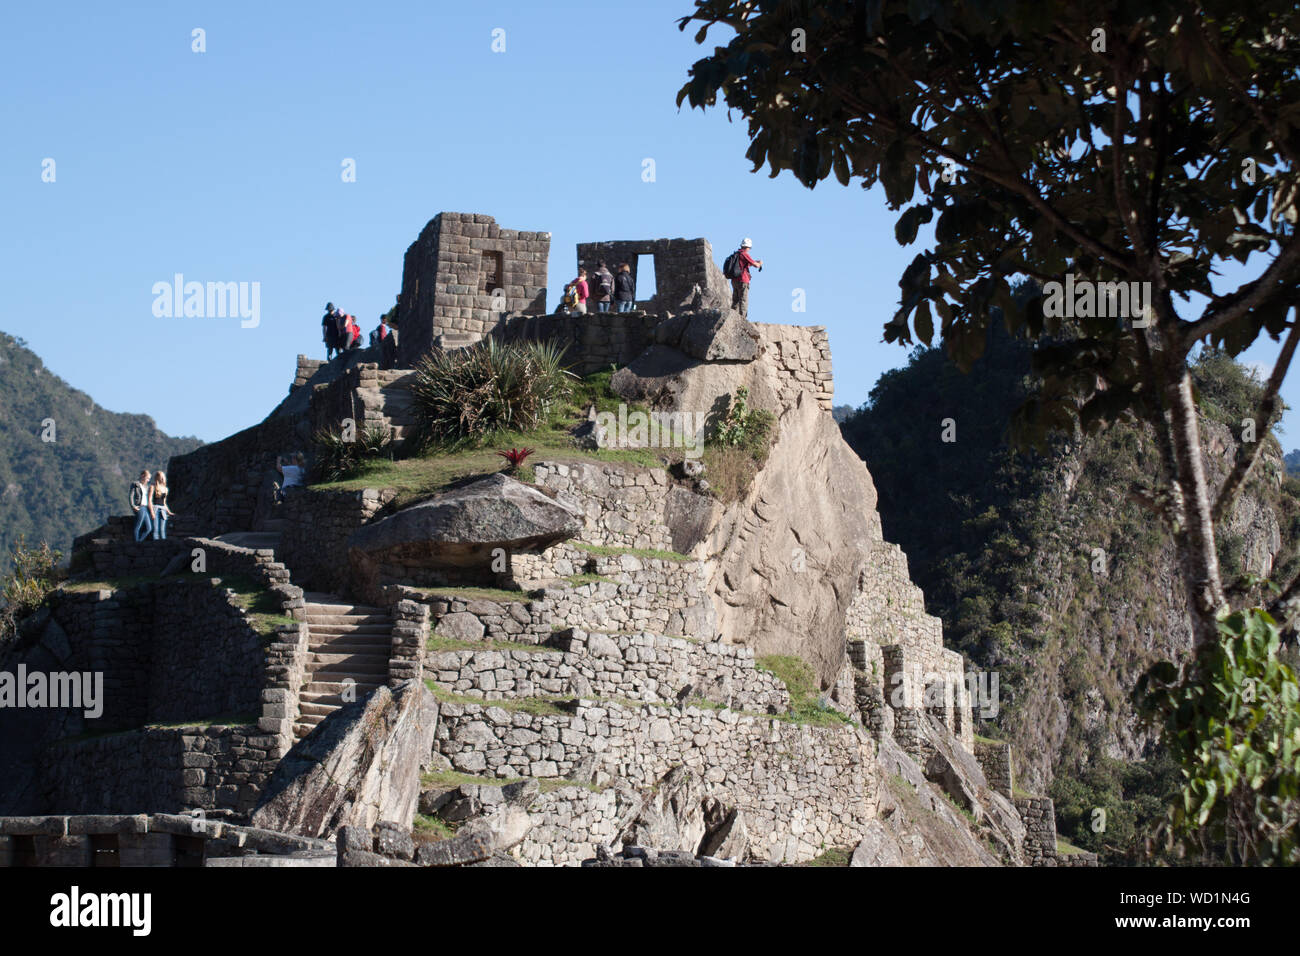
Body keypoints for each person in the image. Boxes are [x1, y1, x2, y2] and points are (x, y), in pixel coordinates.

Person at [729, 238, 764, 318]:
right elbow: (756, 265)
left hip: (735, 280)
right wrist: (760, 263)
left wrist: (753, 262)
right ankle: (742, 320)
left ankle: (732, 317)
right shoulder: (744, 254)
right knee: (743, 300)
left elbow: (744, 264)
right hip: (743, 280)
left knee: (735, 301)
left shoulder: (737, 254)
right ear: (748, 247)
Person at [129, 470, 153, 542]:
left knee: (149, 528)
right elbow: (131, 496)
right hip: (140, 507)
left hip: (145, 508)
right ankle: (136, 542)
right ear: (143, 476)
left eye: (149, 479)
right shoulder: (135, 484)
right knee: (138, 526)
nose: (148, 480)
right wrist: (133, 506)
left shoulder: (146, 486)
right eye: (147, 478)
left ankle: (139, 541)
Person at [150, 471, 172, 540]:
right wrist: (152, 512)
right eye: (161, 477)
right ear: (157, 478)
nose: (162, 478)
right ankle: (155, 545)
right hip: (155, 508)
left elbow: (164, 503)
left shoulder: (166, 489)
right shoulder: (152, 487)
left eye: (163, 477)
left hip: (163, 510)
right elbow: (149, 501)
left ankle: (164, 545)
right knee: (155, 529)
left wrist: (169, 512)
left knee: (162, 530)